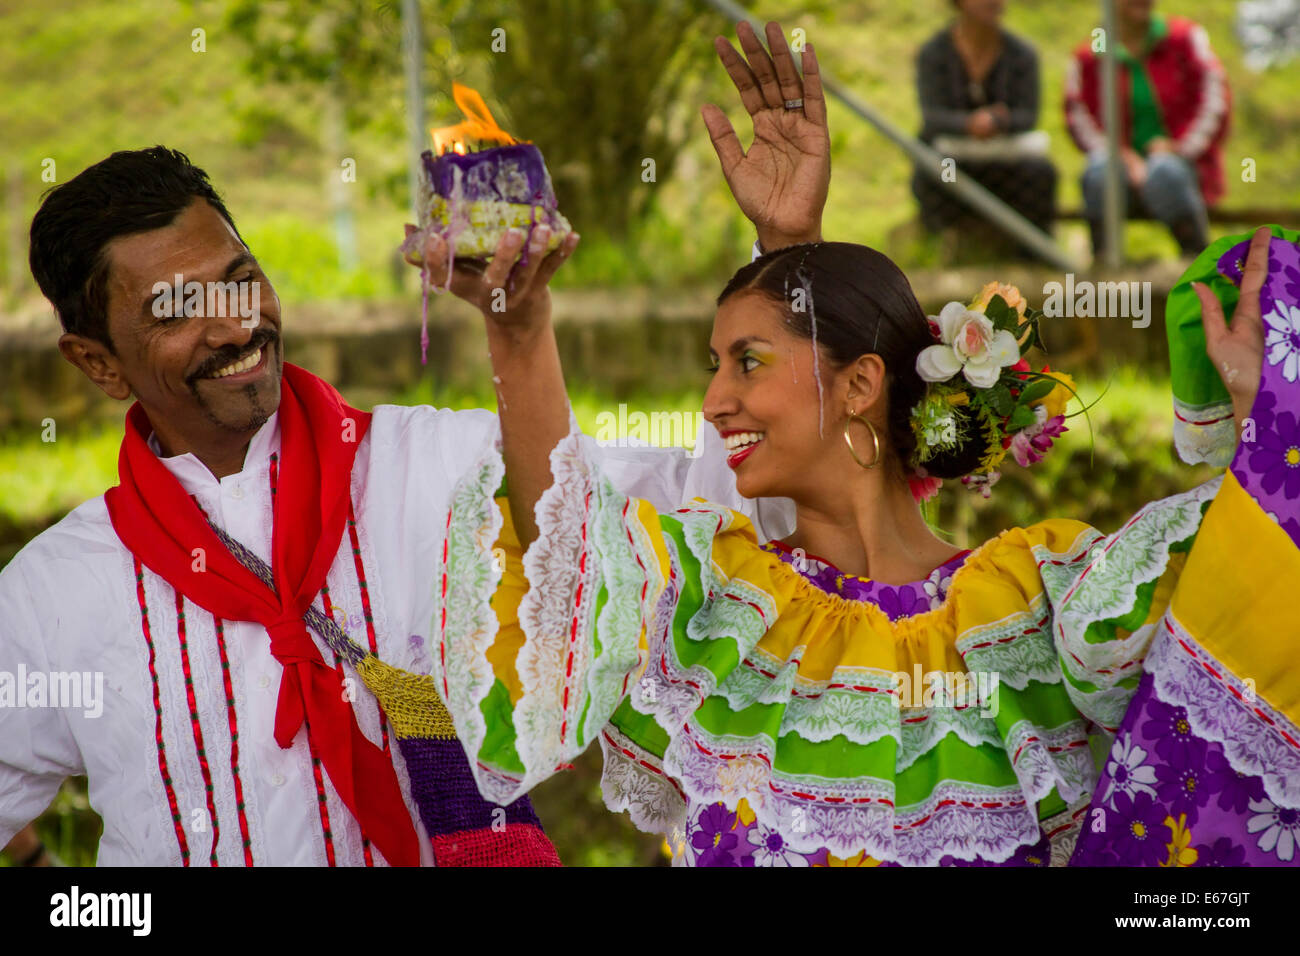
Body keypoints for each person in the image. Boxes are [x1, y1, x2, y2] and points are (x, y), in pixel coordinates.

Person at [416, 35, 1297, 865]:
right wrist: (520, 332)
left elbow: (1248, 584)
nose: (714, 400)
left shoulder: (1042, 613)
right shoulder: (716, 614)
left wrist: (1266, 426)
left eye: (745, 363)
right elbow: (561, 550)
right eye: (713, 367)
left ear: (863, 385)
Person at [0, 21, 819, 866]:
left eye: (239, 280)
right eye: (175, 309)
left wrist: (788, 258)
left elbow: (736, 518)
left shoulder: (432, 473)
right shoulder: (55, 594)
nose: (234, 323)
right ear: (98, 364)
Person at [1064, 0, 1231, 257]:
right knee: (1099, 171)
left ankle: (1198, 261)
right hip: (1118, 169)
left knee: (1166, 172)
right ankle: (1103, 264)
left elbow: (1215, 101)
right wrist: (1119, 154)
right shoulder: (1090, 55)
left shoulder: (1184, 39)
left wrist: (1178, 147)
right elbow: (1078, 115)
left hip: (1184, 165)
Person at [911, 0, 1057, 258]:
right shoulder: (934, 52)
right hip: (953, 162)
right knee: (931, 172)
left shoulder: (1022, 53)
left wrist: (999, 122)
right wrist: (968, 124)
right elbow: (932, 115)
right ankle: (942, 251)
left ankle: (1032, 258)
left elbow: (1029, 115)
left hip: (1009, 161)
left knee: (1041, 174)